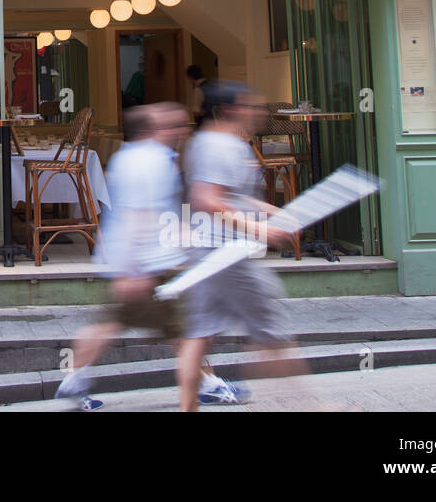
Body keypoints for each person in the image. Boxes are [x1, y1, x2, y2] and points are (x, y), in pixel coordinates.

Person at [54, 102, 239, 410]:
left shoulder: (126, 157)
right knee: (186, 329)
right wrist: (135, 270)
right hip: (151, 263)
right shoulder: (152, 162)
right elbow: (138, 215)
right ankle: (208, 385)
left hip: (137, 260)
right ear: (151, 130)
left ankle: (73, 381)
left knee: (118, 323)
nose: (179, 132)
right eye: (171, 126)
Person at [178, 80, 308, 411]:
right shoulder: (219, 145)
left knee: (199, 334)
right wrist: (259, 229)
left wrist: (267, 211)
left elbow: (229, 196)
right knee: (271, 333)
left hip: (212, 252)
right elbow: (207, 199)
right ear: (230, 109)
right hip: (228, 255)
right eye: (250, 105)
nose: (258, 112)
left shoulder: (214, 143)